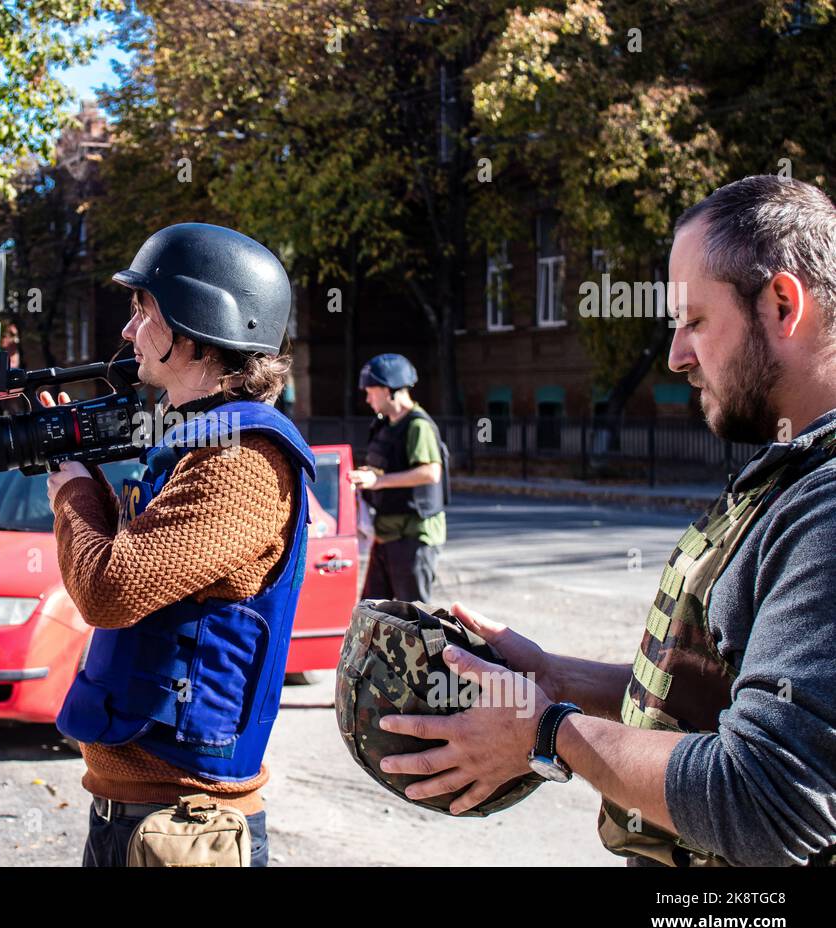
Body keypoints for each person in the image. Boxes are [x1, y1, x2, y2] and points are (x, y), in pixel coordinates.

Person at [373, 175, 836, 867]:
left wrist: (546, 732)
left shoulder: (825, 506)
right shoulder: (789, 472)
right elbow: (722, 701)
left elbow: (770, 802)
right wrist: (561, 679)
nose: (678, 354)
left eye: (694, 321)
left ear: (781, 304)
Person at [43, 222, 316, 867]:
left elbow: (110, 589)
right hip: (145, 818)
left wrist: (71, 488)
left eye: (144, 308)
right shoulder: (203, 443)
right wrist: (79, 474)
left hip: (185, 828)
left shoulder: (243, 461)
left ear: (197, 328)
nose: (127, 329)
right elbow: (142, 565)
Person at [349, 354, 447, 602]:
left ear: (387, 389)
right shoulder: (384, 425)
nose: (368, 398)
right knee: (373, 613)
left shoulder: (418, 426)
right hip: (385, 535)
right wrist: (369, 475)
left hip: (413, 535)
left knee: (414, 618)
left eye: (370, 391)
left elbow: (430, 472)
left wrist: (378, 481)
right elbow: (389, 467)